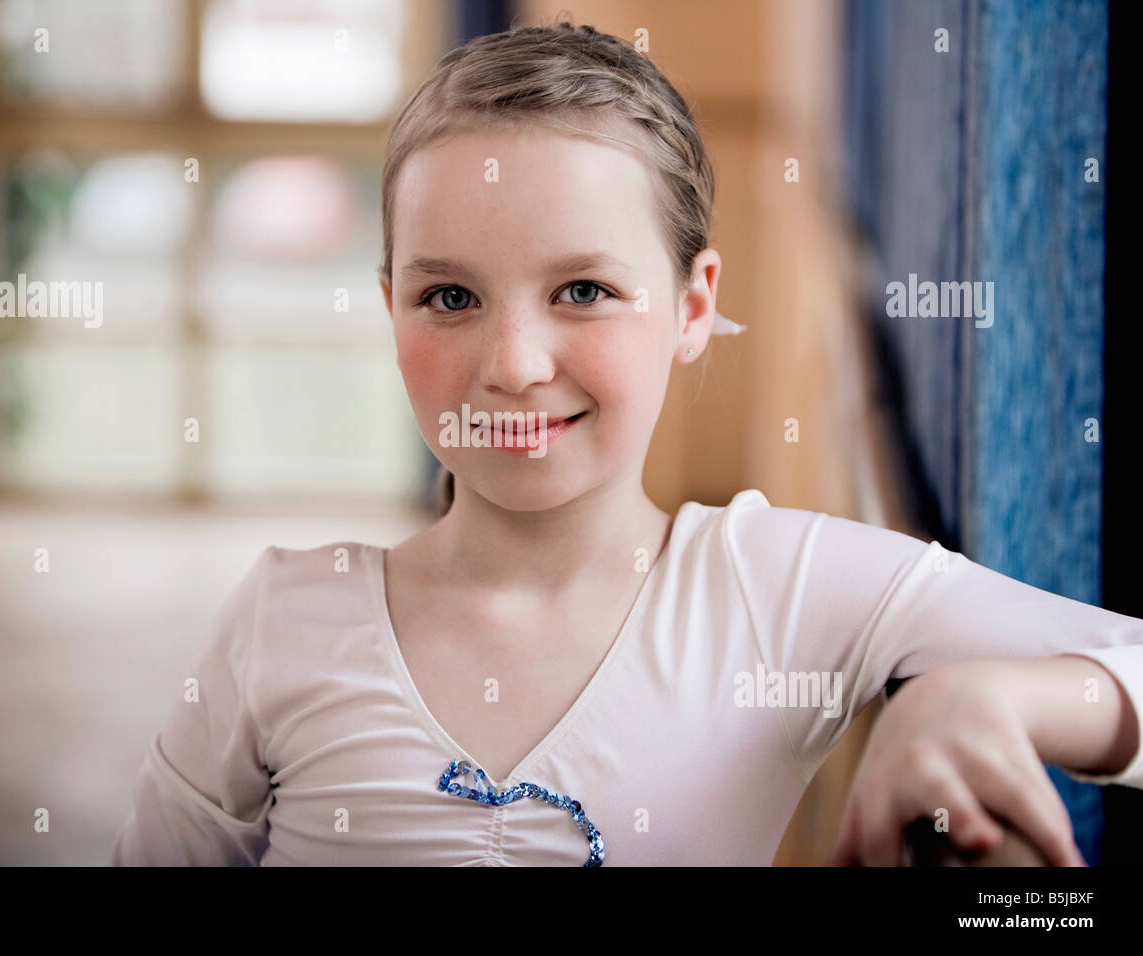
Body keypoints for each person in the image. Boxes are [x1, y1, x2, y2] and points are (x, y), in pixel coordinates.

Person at [112, 21, 1143, 866]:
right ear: (392, 310)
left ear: (693, 305)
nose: (513, 362)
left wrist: (979, 692)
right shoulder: (283, 618)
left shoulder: (774, 589)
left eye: (584, 291)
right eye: (450, 295)